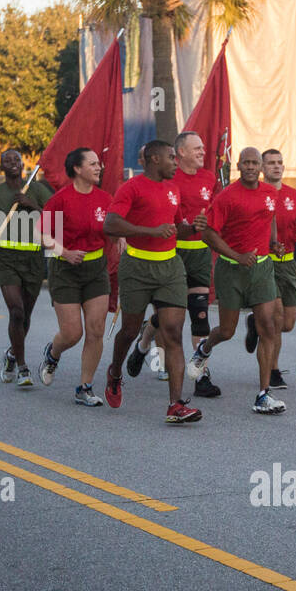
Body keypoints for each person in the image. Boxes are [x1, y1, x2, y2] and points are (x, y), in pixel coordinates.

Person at [102, 140, 201, 424]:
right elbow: (110, 224)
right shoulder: (131, 188)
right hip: (137, 266)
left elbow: (176, 226)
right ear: (154, 159)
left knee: (173, 332)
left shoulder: (173, 188)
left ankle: (176, 405)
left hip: (170, 266)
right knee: (130, 330)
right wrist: (150, 230)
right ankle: (115, 371)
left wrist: (193, 227)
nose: (175, 162)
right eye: (171, 157)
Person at [186, 147, 286, 414]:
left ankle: (263, 395)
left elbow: (271, 217)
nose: (252, 167)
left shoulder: (270, 193)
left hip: (262, 269)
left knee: (268, 327)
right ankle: (204, 349)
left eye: (256, 163)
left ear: (261, 166)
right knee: (227, 331)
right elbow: (207, 233)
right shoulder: (227, 196)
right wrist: (236, 256)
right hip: (231, 269)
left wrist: (274, 243)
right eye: (247, 163)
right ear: (239, 166)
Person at [128, 131, 222, 397]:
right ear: (180, 153)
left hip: (200, 253)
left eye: (203, 147)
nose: (203, 152)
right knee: (169, 318)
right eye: (197, 148)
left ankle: (201, 375)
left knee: (200, 317)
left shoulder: (209, 178)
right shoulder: (169, 178)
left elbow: (215, 210)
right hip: (172, 253)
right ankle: (143, 344)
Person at [37, 147, 112, 405]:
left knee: (96, 329)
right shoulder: (61, 199)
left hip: (96, 271)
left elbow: (113, 224)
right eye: (92, 163)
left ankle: (85, 387)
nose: (98, 167)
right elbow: (42, 234)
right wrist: (65, 252)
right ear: (77, 169)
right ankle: (53, 354)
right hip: (65, 269)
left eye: (98, 163)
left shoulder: (105, 198)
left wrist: (122, 236)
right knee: (72, 333)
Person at [0, 150, 54, 386]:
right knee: (16, 311)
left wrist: (32, 205)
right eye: (7, 161)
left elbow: (55, 217)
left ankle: (11, 354)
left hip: (33, 257)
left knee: (26, 315)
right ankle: (22, 367)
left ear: (22, 164)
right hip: (6, 257)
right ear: (1, 167)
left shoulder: (37, 189)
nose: (12, 163)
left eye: (16, 160)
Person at [258, 148, 296, 389]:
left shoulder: (294, 196)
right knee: (276, 317)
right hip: (265, 264)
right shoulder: (257, 193)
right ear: (262, 168)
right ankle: (273, 370)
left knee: (288, 323)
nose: (276, 166)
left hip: (289, 263)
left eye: (280, 162)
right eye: (270, 163)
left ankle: (255, 324)